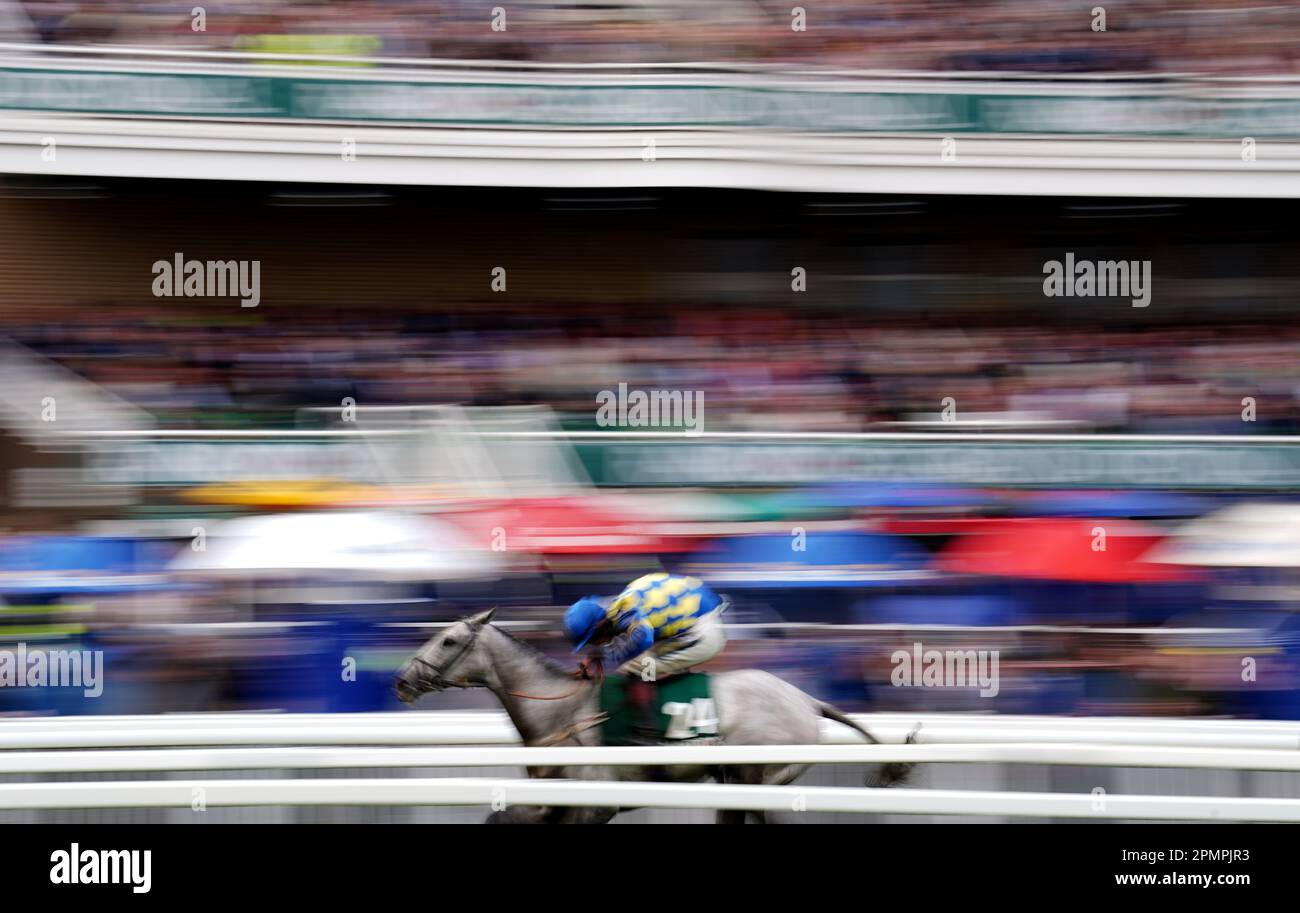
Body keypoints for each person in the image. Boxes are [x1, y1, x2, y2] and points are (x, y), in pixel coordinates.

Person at [563, 572, 728, 682]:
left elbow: (645, 638)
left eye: (592, 640)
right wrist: (604, 654)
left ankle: (647, 729)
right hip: (699, 619)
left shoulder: (624, 614)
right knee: (642, 662)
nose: (596, 644)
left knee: (637, 668)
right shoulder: (615, 608)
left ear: (599, 625)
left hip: (704, 632)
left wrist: (607, 658)